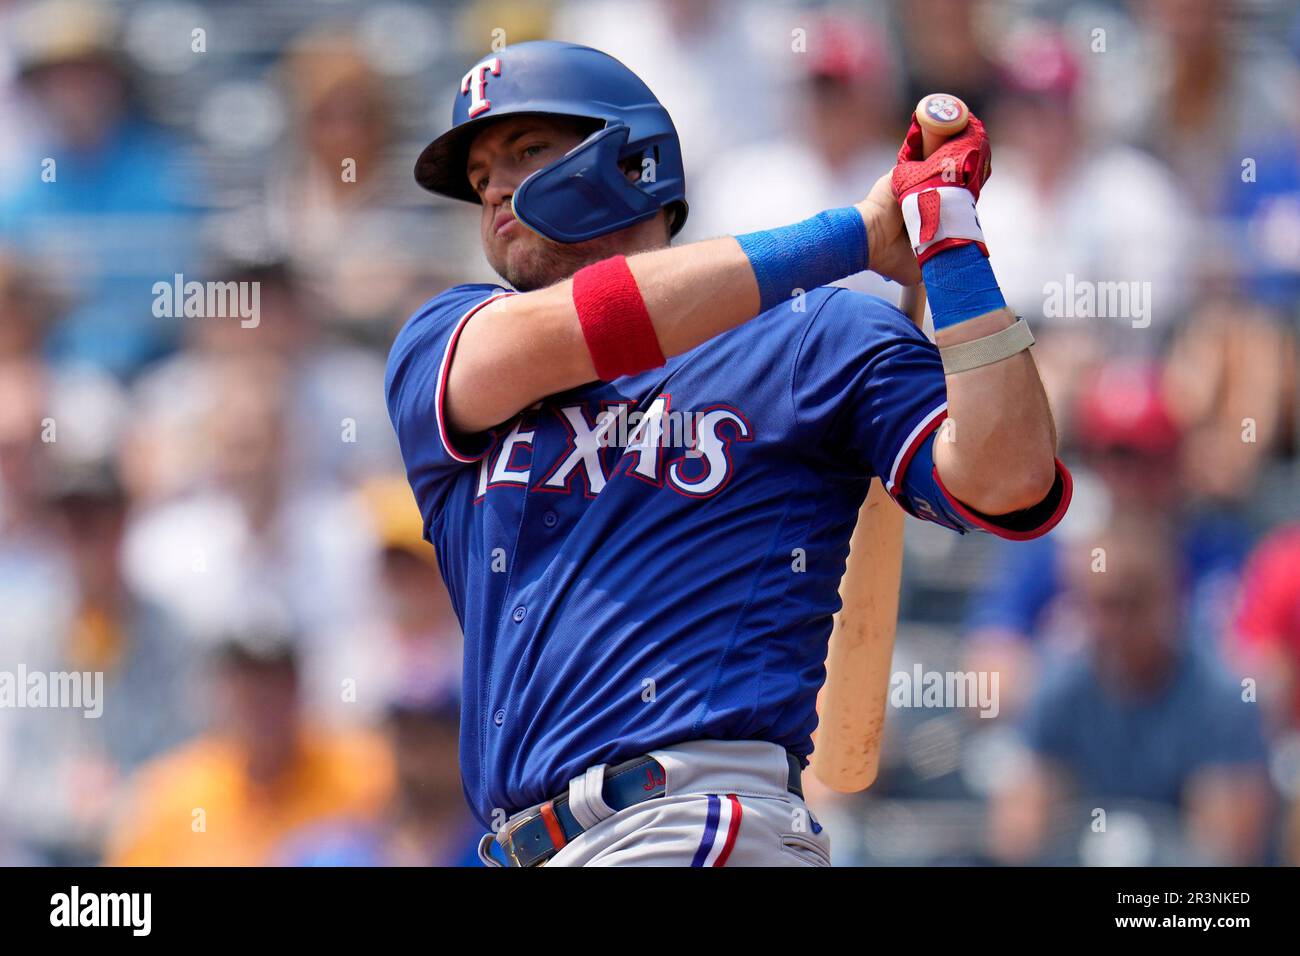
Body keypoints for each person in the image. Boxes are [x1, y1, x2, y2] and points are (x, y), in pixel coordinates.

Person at [387, 41, 1070, 866]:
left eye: (526, 152)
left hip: (690, 822)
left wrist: (947, 239)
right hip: (520, 846)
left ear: (632, 162)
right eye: (480, 174)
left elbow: (1011, 479)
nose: (493, 186)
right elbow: (582, 330)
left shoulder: (814, 336)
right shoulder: (449, 337)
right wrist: (854, 234)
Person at [990, 514, 1272, 865]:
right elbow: (1018, 838)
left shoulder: (1225, 695)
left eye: (1132, 604)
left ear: (1171, 598)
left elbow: (1228, 850)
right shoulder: (1056, 683)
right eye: (1101, 606)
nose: (1116, 625)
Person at [105, 627, 392, 866]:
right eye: (248, 686)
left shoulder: (364, 775)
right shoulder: (172, 794)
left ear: (300, 690)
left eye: (276, 684)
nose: (262, 701)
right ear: (222, 693)